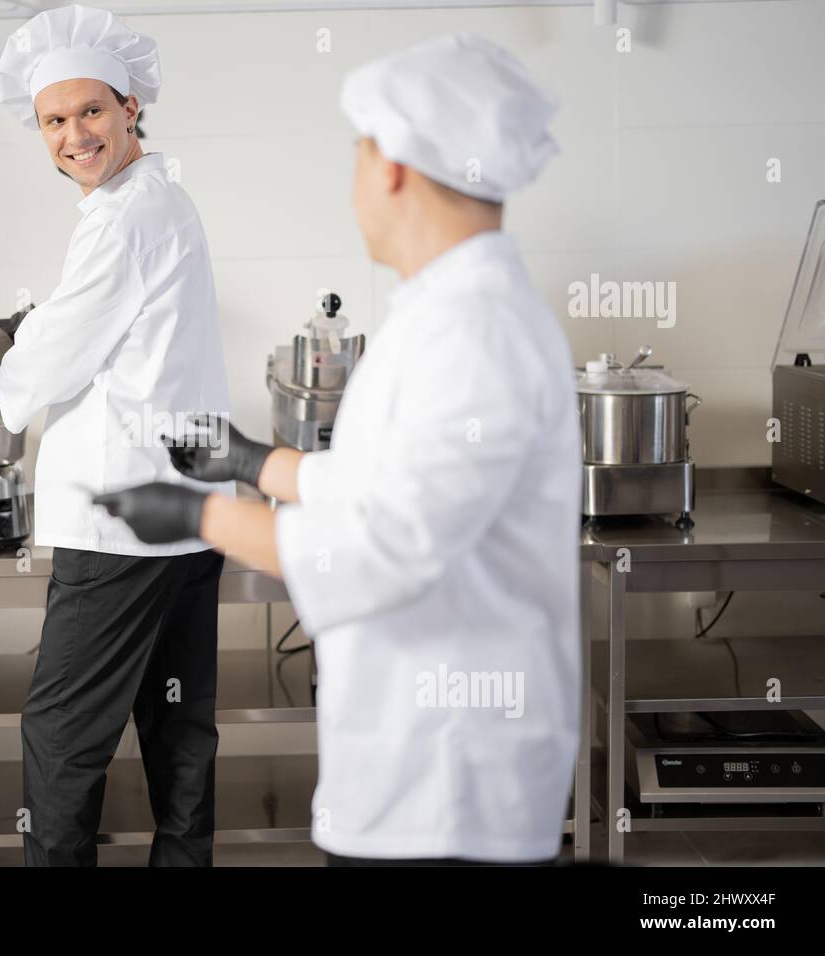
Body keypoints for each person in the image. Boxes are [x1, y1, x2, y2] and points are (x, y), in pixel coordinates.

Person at [96, 34, 583, 865]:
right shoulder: (444, 310)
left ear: (391, 165)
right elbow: (385, 486)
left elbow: (381, 545)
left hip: (450, 784)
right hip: (419, 765)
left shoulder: (474, 329)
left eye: (358, 156)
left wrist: (198, 512)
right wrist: (253, 463)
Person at [0, 4, 233, 866]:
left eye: (90, 110)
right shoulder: (162, 197)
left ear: (130, 106)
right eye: (53, 119)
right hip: (188, 516)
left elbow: (57, 349)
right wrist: (38, 328)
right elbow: (104, 325)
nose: (72, 134)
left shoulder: (122, 214)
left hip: (119, 526)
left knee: (62, 738)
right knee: (179, 734)